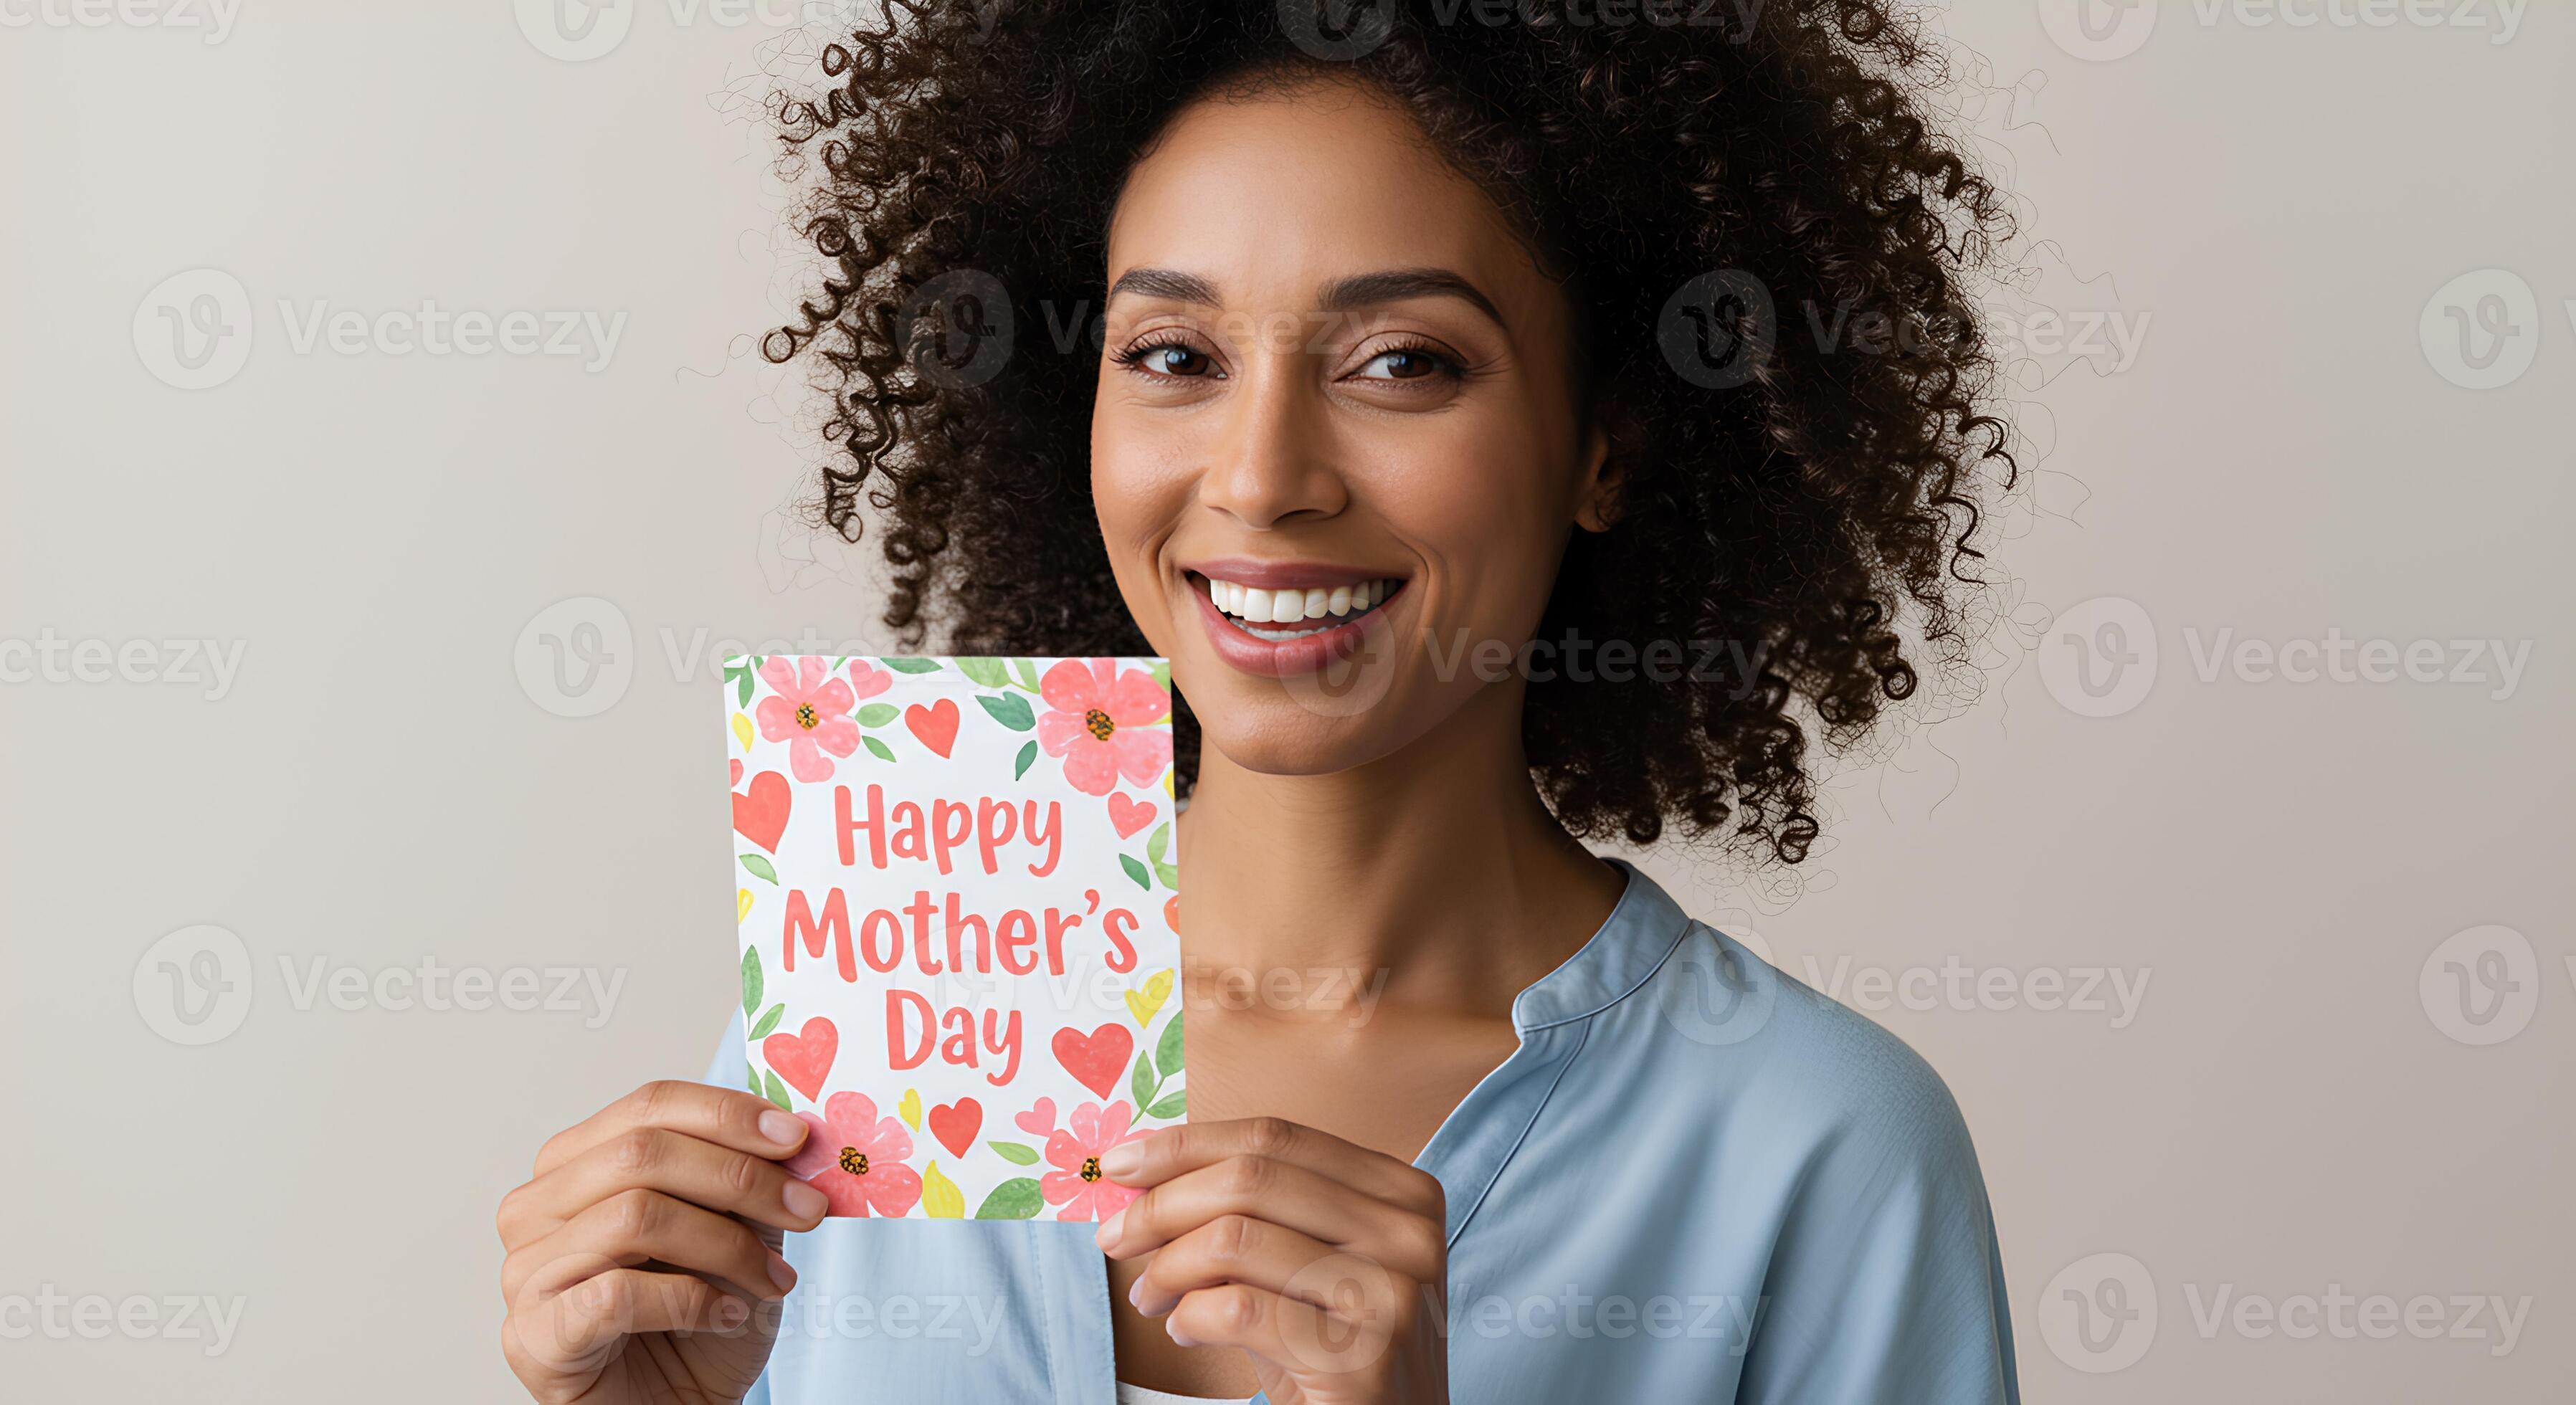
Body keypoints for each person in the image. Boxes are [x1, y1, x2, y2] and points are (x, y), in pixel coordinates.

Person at [500, 3, 2022, 1400]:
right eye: (1174, 354)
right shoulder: (845, 1049)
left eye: (1405, 361)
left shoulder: (1819, 1150)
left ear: (1605, 445)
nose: (1261, 476)